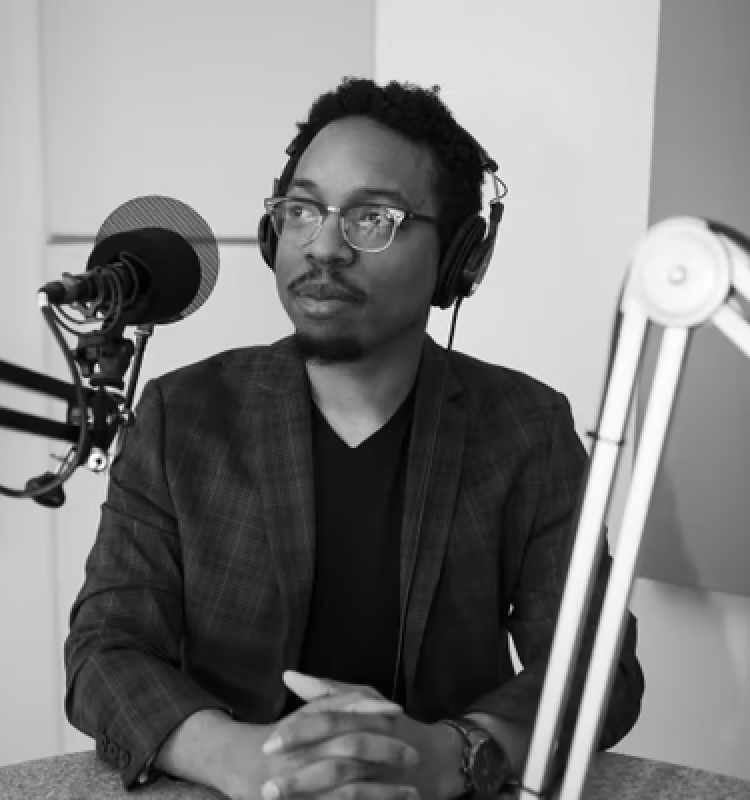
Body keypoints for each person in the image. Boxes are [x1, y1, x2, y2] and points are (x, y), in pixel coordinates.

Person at [64, 77, 644, 799]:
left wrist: (455, 753)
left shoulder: (525, 427)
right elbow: (105, 651)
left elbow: (595, 667)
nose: (325, 245)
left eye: (375, 218)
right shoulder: (181, 414)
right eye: (302, 210)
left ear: (460, 258)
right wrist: (240, 757)